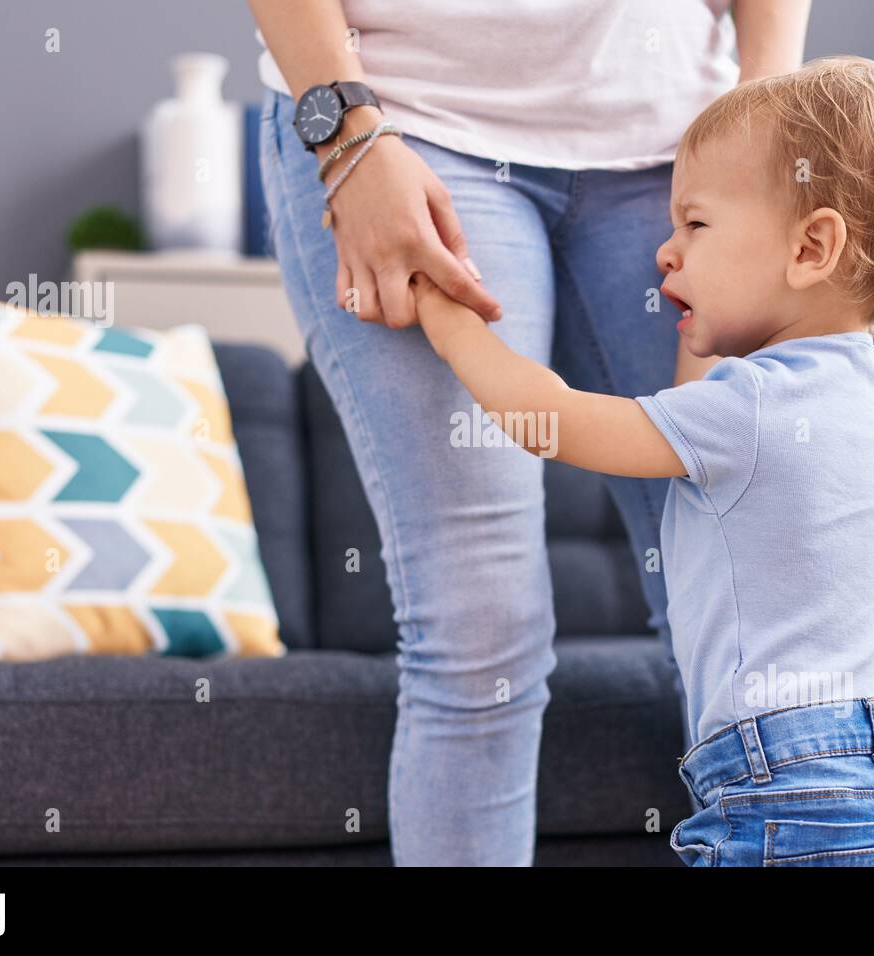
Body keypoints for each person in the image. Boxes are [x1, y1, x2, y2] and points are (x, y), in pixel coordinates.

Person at [250, 0, 812, 866]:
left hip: (681, 146)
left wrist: (763, 125)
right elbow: (535, 414)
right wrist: (348, 136)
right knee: (480, 634)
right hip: (402, 124)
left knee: (742, 628)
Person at [408, 55, 874, 866]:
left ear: (811, 247)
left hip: (788, 801)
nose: (665, 254)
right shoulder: (860, 390)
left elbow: (553, 421)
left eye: (695, 225)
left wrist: (448, 314)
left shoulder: (750, 407)